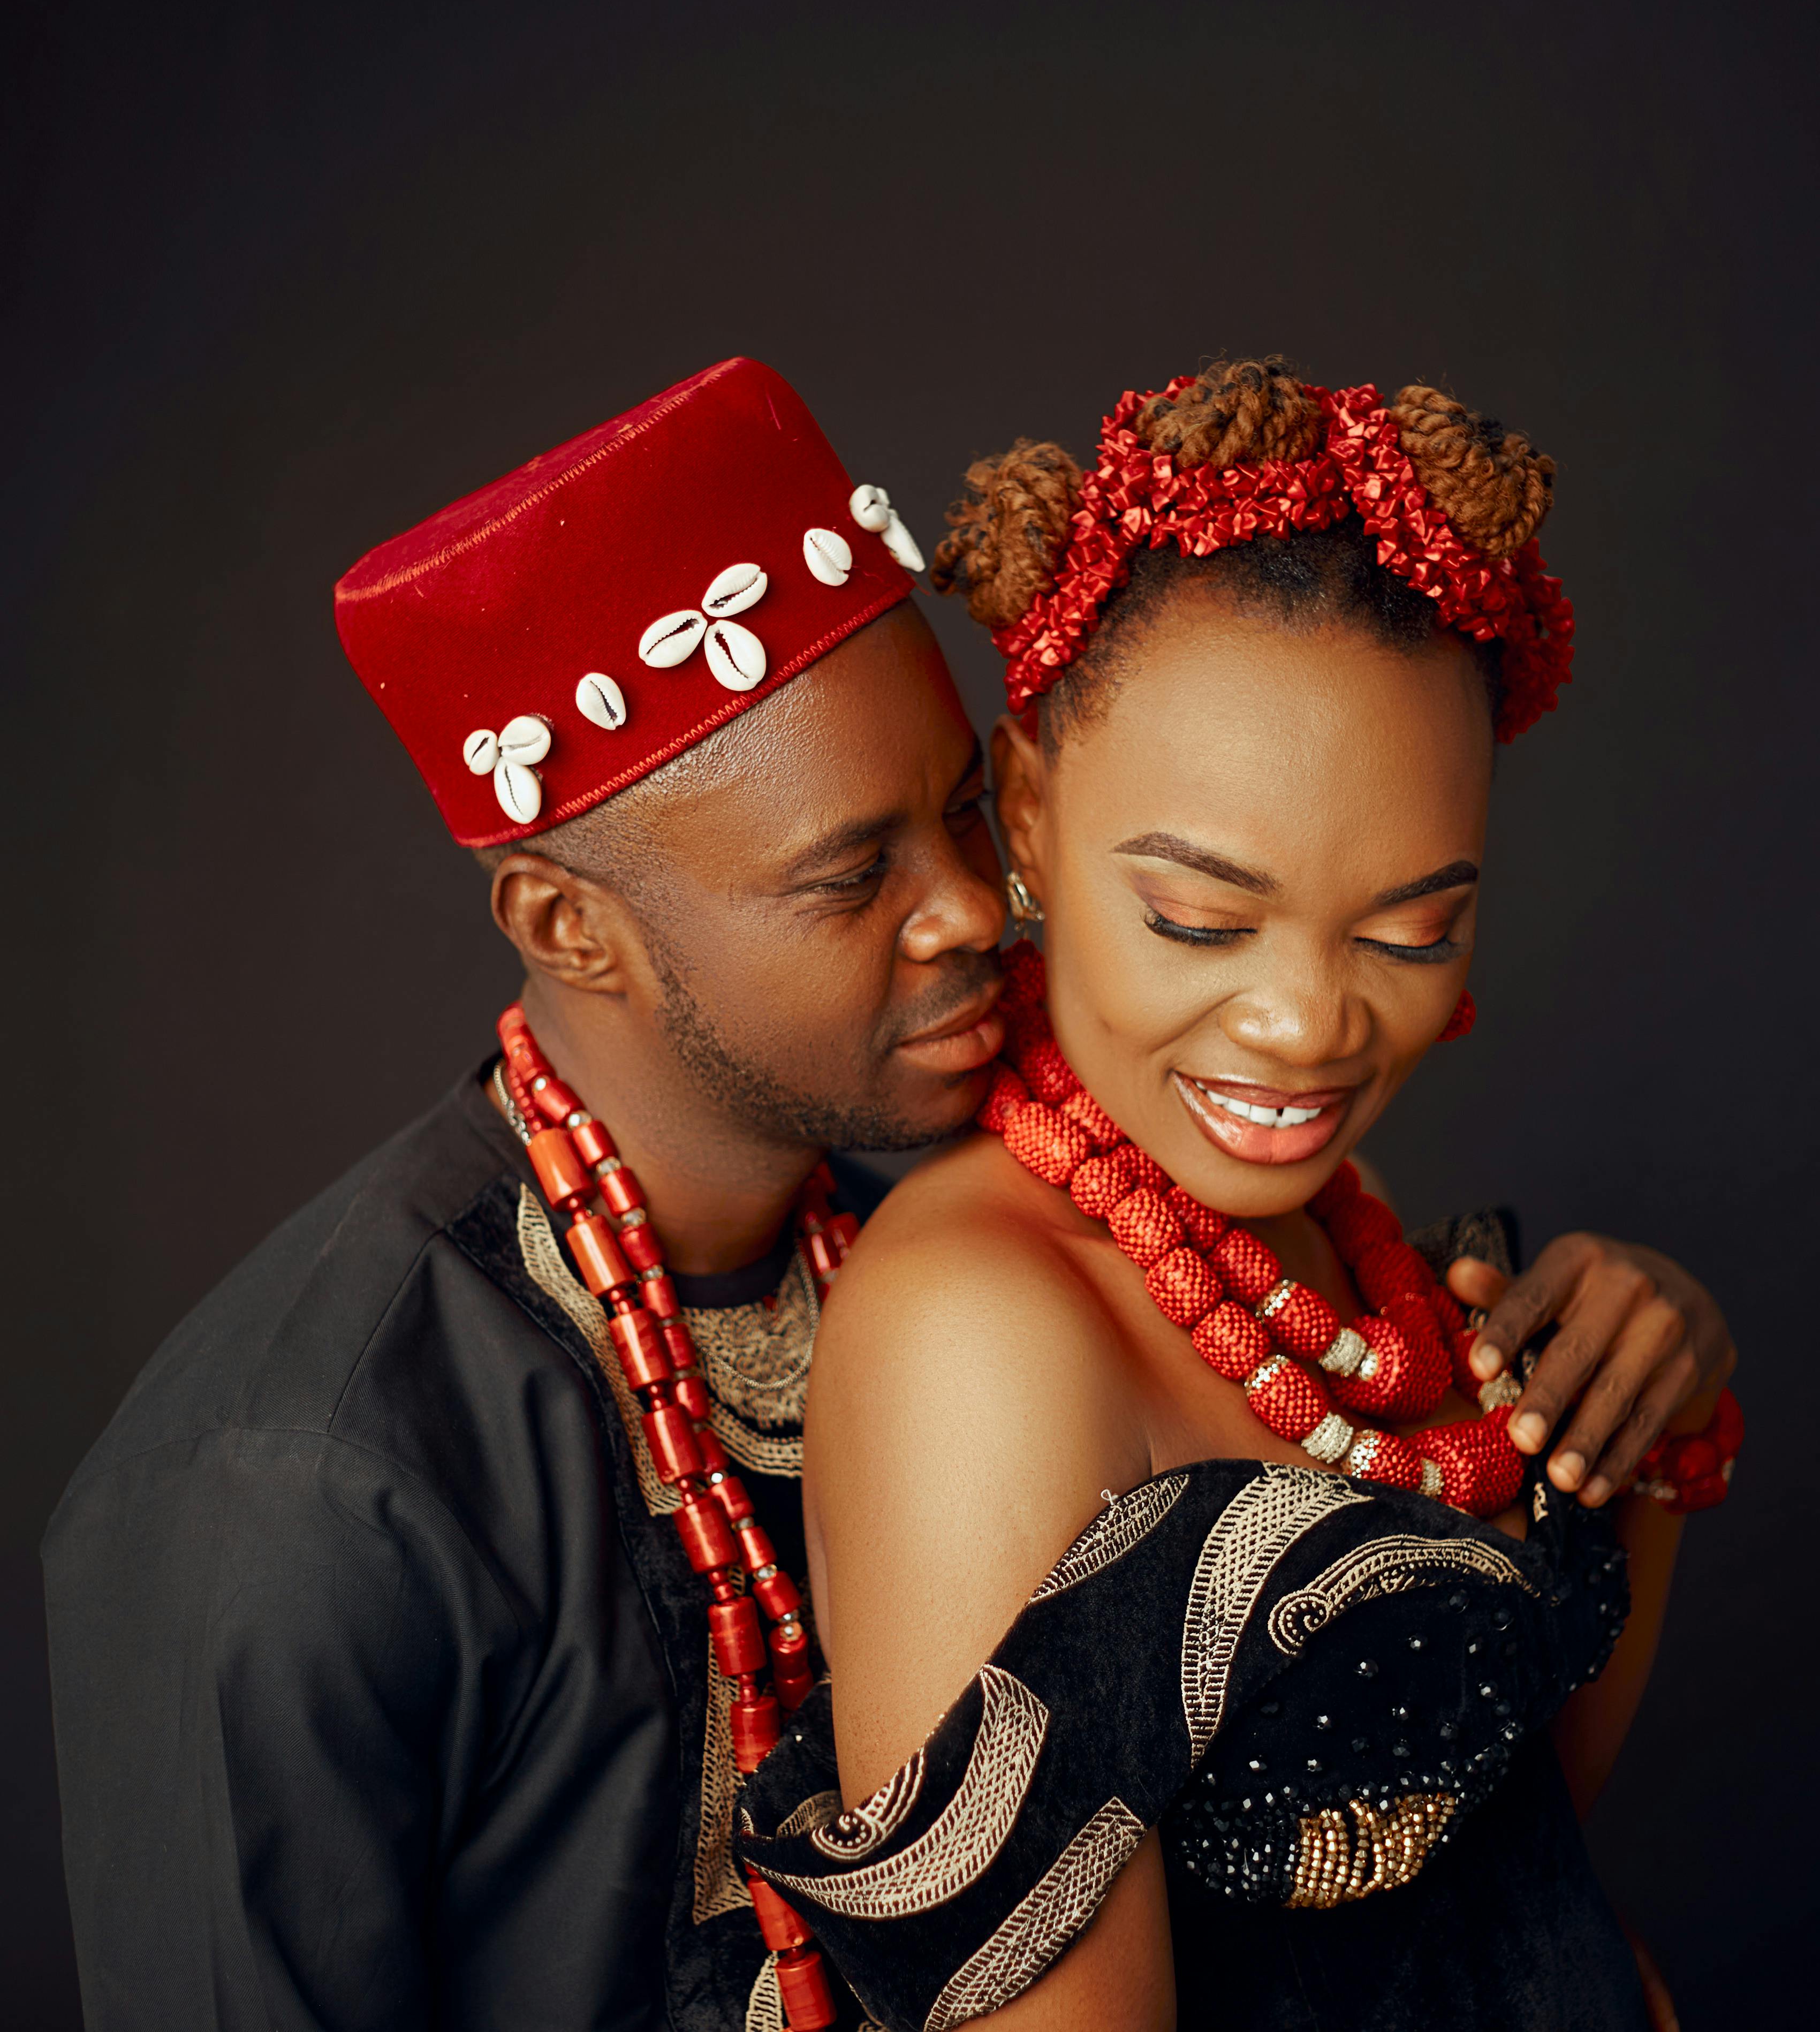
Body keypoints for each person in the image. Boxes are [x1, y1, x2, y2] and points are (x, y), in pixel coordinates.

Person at [45, 354, 1725, 2032]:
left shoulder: (1001, 1201)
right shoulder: (296, 1482)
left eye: (965, 812)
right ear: (572, 930)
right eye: (855, 873)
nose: (974, 908)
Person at [743, 359, 1739, 2032]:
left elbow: (1498, 1829)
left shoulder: (1324, 1236)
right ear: (1035, 819)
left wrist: (1646, 1412)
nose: (1308, 1025)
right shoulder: (977, 1333)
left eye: (1411, 929)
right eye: (1204, 920)